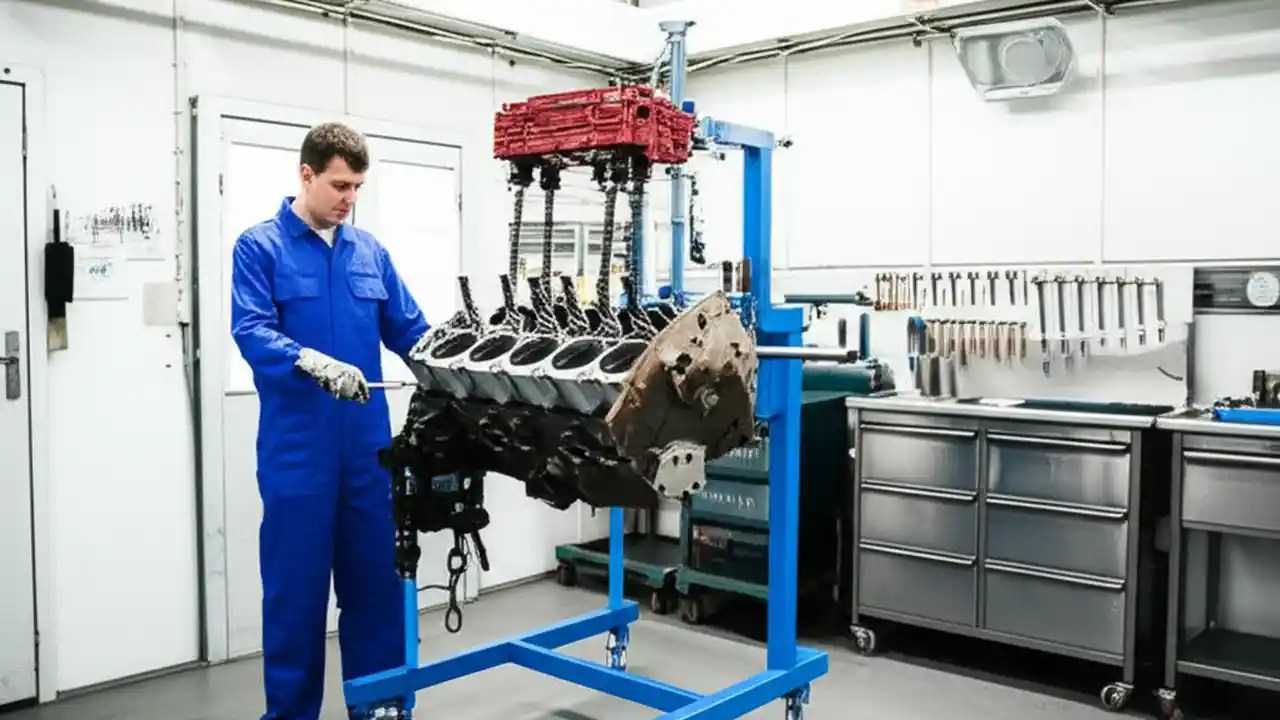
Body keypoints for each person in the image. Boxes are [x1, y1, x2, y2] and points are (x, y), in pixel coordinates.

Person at [230, 122, 430, 720]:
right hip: (298, 455)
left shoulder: (370, 252)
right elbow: (251, 329)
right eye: (340, 185)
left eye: (358, 187)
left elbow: (413, 332)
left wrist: (466, 365)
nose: (349, 198)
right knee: (296, 599)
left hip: (368, 453)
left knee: (377, 591)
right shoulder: (259, 247)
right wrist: (307, 359)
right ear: (307, 174)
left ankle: (382, 711)